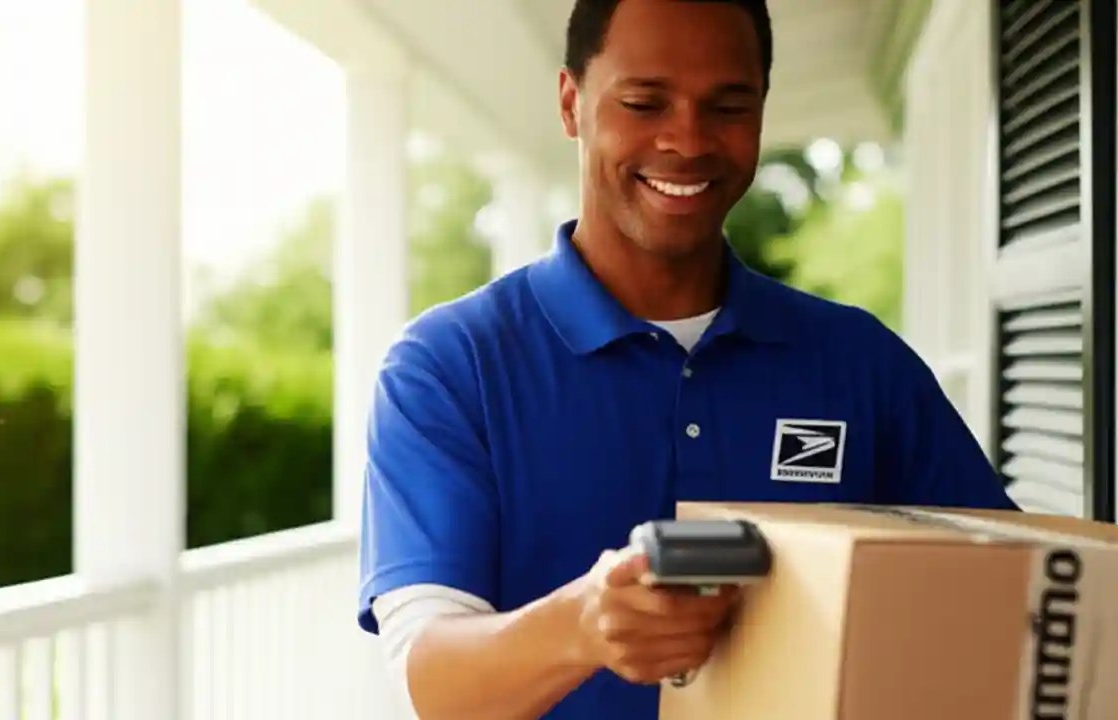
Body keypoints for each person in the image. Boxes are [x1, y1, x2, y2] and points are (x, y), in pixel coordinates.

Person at [356, 0, 1019, 718]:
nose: (687, 139)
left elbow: (1012, 601)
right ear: (571, 103)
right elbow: (432, 683)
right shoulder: (450, 367)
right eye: (644, 103)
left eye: (728, 106)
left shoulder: (862, 364)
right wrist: (583, 626)